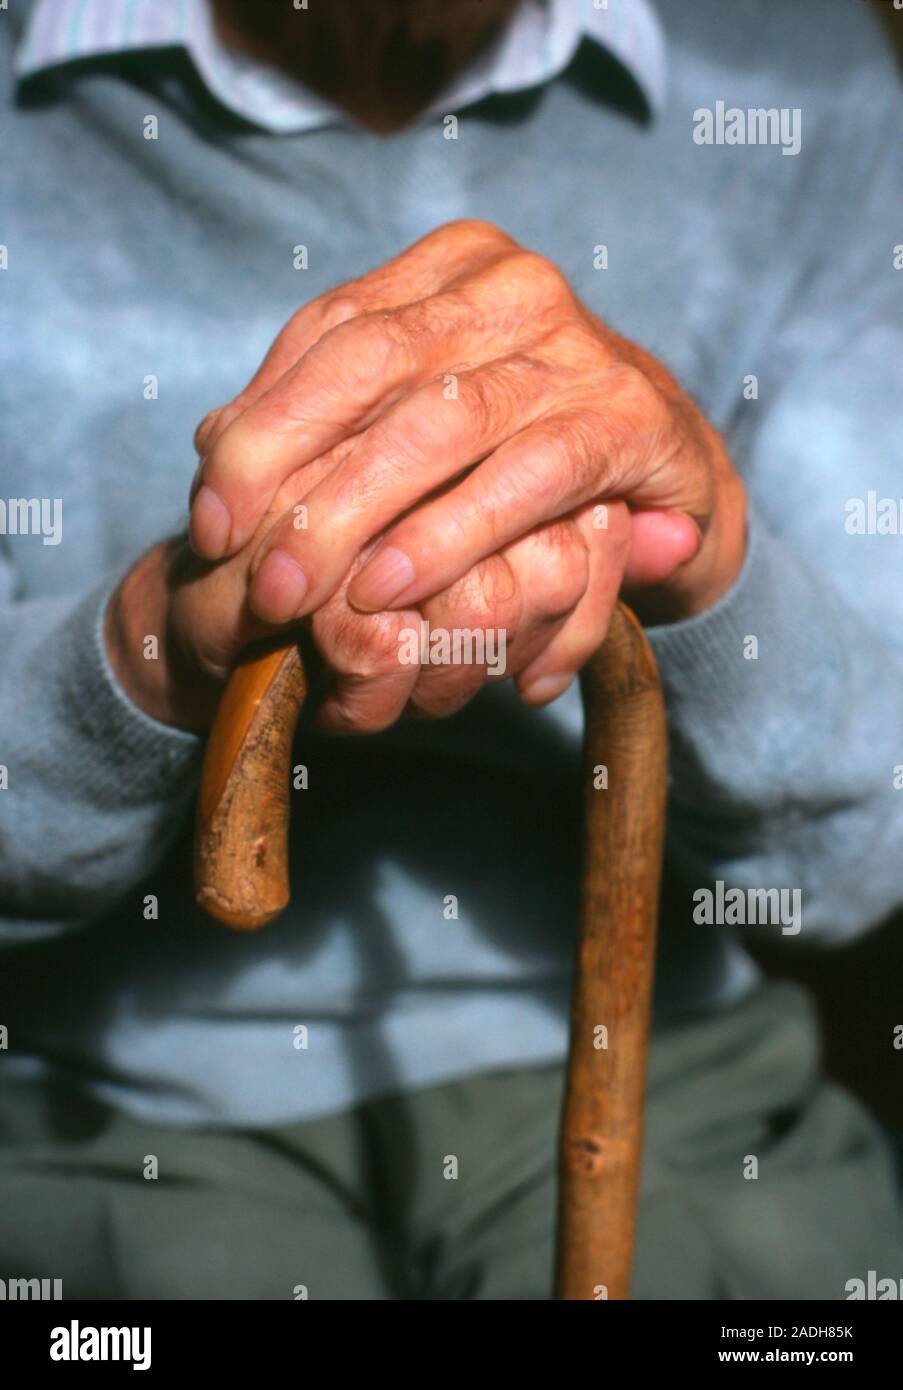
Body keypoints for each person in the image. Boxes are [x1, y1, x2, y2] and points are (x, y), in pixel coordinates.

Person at [1, 0, 901, 1300]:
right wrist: (158, 650)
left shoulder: (797, 65)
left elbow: (869, 843)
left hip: (672, 1063)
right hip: (103, 1097)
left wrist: (705, 556)